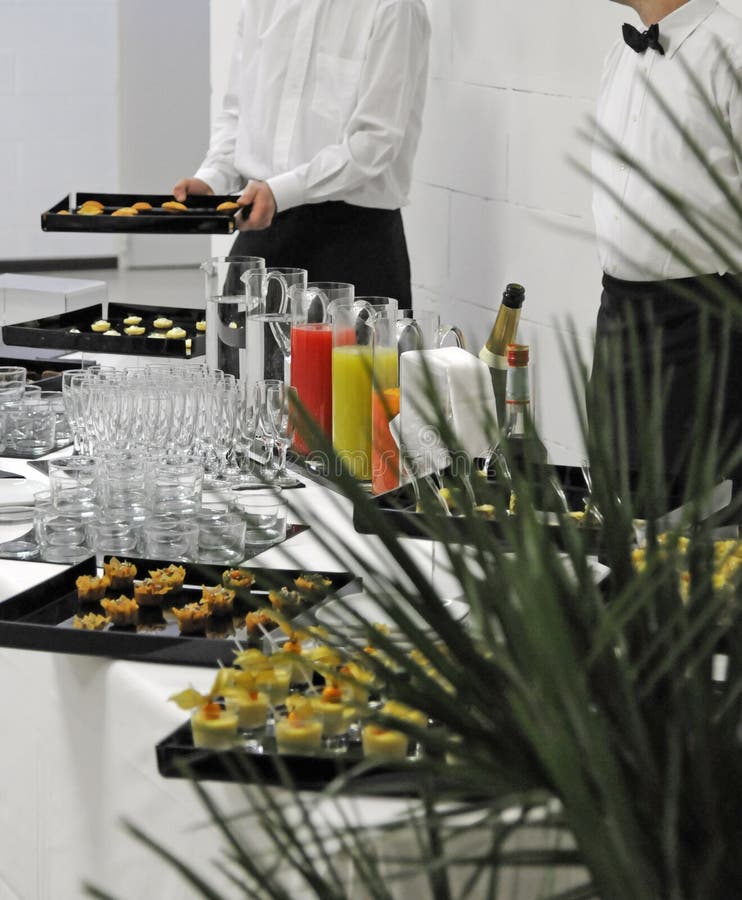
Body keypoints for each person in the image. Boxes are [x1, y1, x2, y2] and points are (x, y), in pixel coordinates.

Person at [173, 0, 431, 309]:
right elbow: (238, 113)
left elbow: (375, 143)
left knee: (360, 359)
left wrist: (281, 191)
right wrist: (212, 180)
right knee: (235, 356)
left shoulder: (393, 6)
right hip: (263, 234)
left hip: (355, 242)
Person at [589, 0, 742, 505]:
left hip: (700, 331)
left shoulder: (733, 53)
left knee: (689, 542)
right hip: (616, 322)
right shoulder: (620, 53)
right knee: (615, 519)